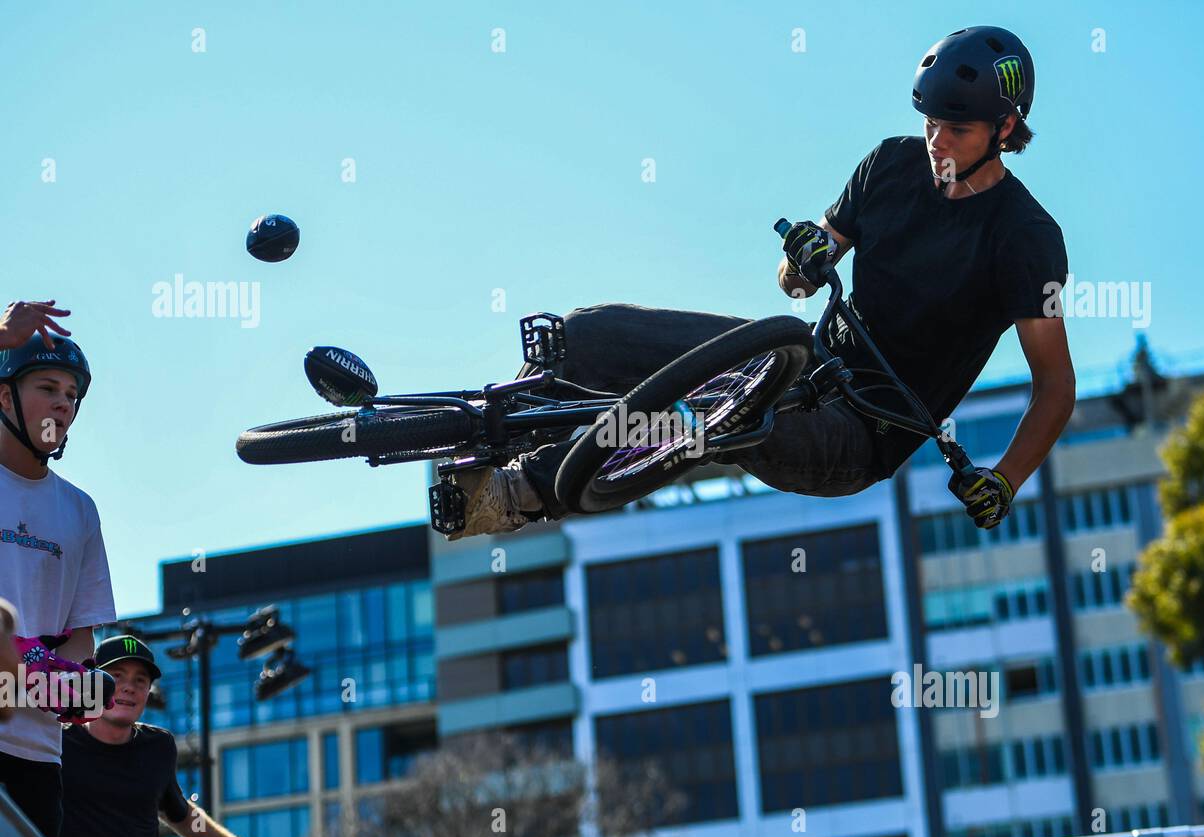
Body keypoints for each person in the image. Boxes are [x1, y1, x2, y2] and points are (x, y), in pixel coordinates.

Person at [442, 25, 1074, 540]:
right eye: (931, 122)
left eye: (956, 131)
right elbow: (794, 283)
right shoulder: (891, 164)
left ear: (1007, 130)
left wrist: (1006, 479)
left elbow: (1054, 387)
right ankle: (498, 417)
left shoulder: (1025, 238)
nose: (936, 141)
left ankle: (513, 497)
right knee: (590, 332)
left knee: (712, 413)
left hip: (859, 435)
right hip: (804, 362)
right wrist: (802, 259)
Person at [0, 308, 117, 837]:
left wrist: (71, 685)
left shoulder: (80, 511)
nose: (63, 404)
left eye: (72, 394)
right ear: (4, 397)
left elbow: (80, 636)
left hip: (36, 756)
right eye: (48, 387)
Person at [59, 635, 308, 837]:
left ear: (148, 691)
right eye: (116, 676)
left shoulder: (158, 747)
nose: (129, 687)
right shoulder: (58, 744)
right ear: (93, 683)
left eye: (140, 680)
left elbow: (185, 817)